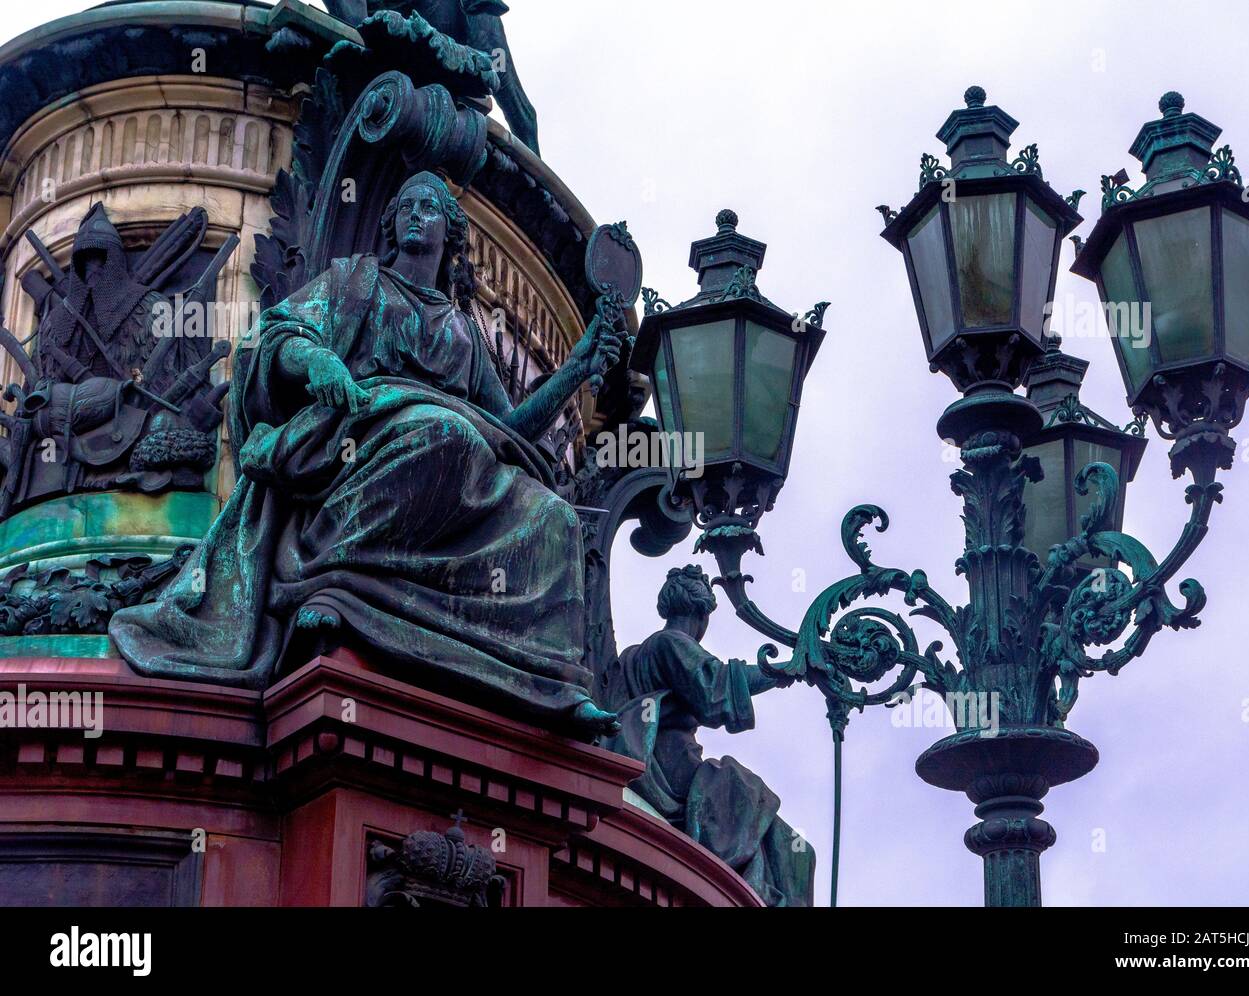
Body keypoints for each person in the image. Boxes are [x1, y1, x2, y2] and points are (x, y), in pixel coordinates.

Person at [110, 171, 620, 737]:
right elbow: (277, 337)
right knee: (443, 435)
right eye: (406, 205)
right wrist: (318, 361)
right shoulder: (357, 282)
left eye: (429, 206)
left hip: (444, 451)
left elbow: (506, 429)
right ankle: (324, 573)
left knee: (556, 517)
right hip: (354, 431)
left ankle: (545, 677)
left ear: (452, 236)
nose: (415, 214)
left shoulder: (464, 331)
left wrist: (573, 370)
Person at [602, 565, 815, 906]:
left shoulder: (634, 655)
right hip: (673, 778)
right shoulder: (670, 644)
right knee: (785, 843)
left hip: (662, 770)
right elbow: (716, 690)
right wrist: (783, 670)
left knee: (777, 838)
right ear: (702, 614)